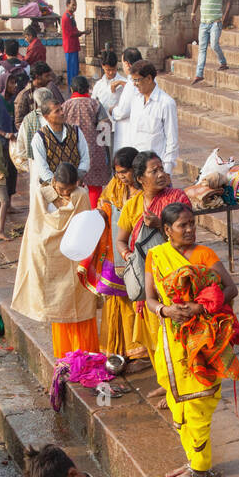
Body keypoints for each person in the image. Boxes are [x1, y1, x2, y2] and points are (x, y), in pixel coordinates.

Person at [145, 203, 239, 477]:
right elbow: (149, 297)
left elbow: (231, 288)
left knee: (200, 403)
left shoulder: (205, 254)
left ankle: (200, 467)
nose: (190, 229)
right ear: (167, 230)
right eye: (183, 225)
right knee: (179, 405)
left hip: (203, 341)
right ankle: (193, 459)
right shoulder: (155, 256)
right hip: (172, 339)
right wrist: (166, 311)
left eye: (192, 223)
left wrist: (200, 308)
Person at [12, 161, 100, 358]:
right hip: (51, 262)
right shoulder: (40, 196)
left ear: (77, 184)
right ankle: (66, 356)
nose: (66, 194)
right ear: (53, 181)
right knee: (59, 308)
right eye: (61, 189)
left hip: (75, 262)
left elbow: (86, 230)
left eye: (70, 190)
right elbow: (36, 231)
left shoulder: (81, 196)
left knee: (80, 307)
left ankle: (87, 355)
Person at [116, 151, 192, 372]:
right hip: (147, 277)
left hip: (176, 275)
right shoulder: (133, 205)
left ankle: (179, 378)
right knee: (154, 334)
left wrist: (160, 224)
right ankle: (165, 379)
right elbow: (121, 240)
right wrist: (129, 257)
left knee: (178, 331)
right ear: (140, 178)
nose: (161, 174)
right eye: (154, 171)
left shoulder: (177, 197)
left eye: (161, 169)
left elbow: (188, 232)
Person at [79, 146, 139, 357]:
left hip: (138, 251)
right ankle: (116, 350)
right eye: (118, 173)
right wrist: (101, 213)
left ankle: (138, 352)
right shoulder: (116, 185)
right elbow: (105, 201)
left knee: (135, 298)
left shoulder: (144, 189)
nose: (121, 177)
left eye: (125, 172)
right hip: (116, 250)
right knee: (115, 299)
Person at [63, 75, 111, 209]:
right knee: (94, 186)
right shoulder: (95, 104)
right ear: (88, 89)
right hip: (94, 150)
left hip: (71, 151)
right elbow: (105, 126)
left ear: (72, 90)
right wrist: (104, 148)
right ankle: (93, 213)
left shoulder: (65, 106)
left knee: (73, 184)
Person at [128, 62, 179, 174]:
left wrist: (167, 171)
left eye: (137, 80)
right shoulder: (136, 100)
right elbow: (133, 133)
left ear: (149, 78)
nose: (134, 84)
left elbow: (172, 140)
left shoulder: (166, 103)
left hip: (156, 170)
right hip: (137, 167)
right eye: (133, 80)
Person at [30, 96, 90, 186]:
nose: (62, 113)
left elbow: (85, 158)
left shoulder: (75, 131)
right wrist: (58, 186)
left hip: (75, 184)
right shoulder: (40, 138)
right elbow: (42, 168)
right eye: (57, 111)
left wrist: (77, 177)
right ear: (46, 117)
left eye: (61, 109)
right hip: (52, 187)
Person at [192, 0, 231, 83]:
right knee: (202, 48)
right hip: (203, 22)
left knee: (214, 45)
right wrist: (193, 13)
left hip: (216, 22)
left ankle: (223, 62)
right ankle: (199, 74)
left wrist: (225, 16)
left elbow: (229, 0)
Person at [111, 48, 143, 152]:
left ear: (127, 64)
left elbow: (122, 111)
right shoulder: (145, 79)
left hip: (129, 133)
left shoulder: (132, 83)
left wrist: (113, 110)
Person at [92, 50, 126, 118]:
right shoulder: (98, 85)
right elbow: (92, 104)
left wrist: (122, 83)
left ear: (116, 65)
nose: (111, 72)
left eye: (113, 69)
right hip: (103, 124)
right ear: (102, 66)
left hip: (118, 124)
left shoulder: (124, 82)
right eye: (108, 70)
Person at [61, 0, 82, 89]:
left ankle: (74, 87)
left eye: (75, 5)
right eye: (73, 5)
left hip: (73, 46)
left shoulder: (70, 16)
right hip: (70, 46)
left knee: (75, 69)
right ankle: (72, 87)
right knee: (72, 69)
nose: (74, 7)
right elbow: (71, 33)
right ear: (67, 5)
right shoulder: (66, 17)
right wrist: (83, 33)